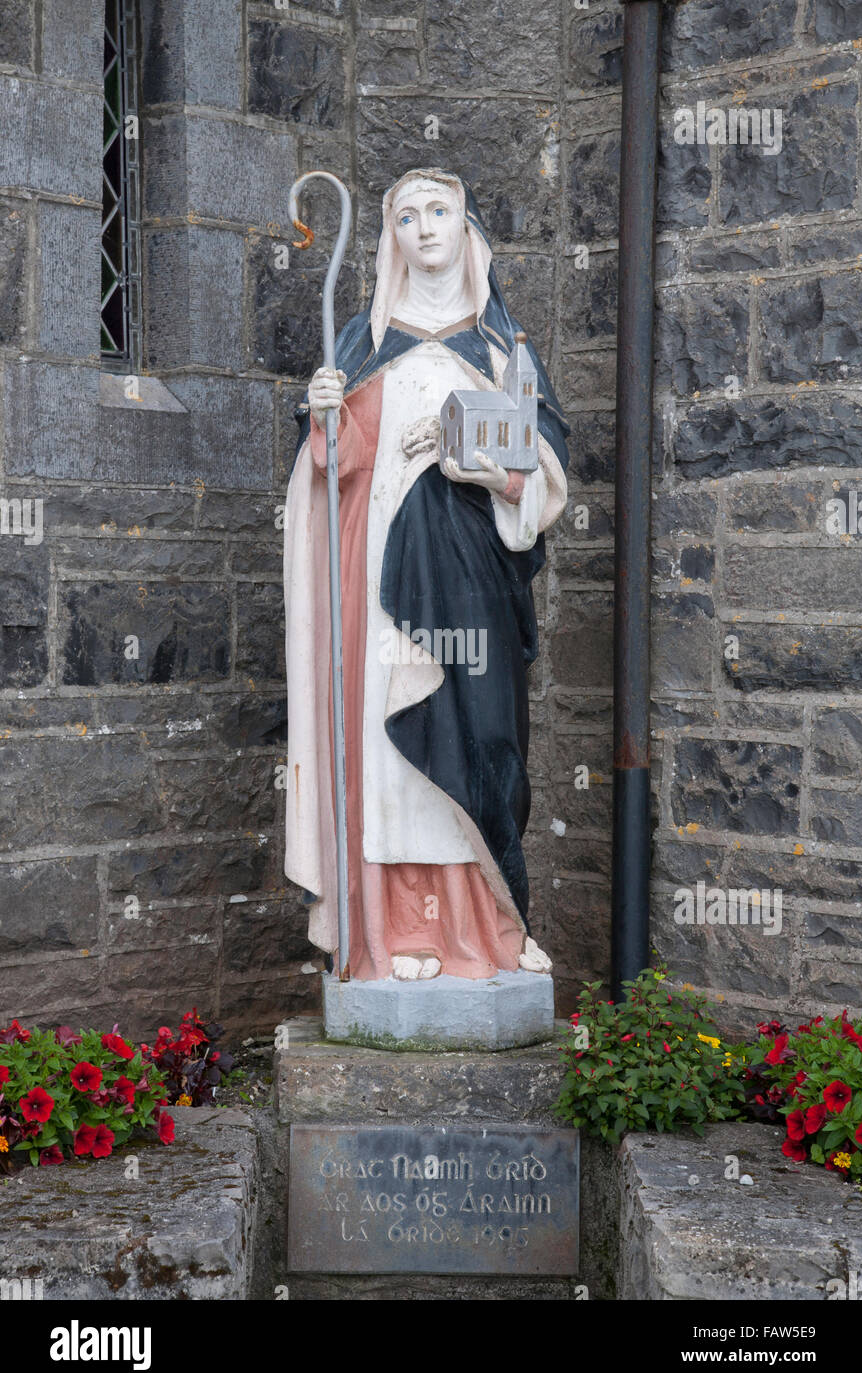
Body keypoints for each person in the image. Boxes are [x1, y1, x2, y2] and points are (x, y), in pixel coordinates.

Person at [282, 167, 569, 983]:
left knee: (483, 736)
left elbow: (543, 471)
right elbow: (335, 474)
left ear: (465, 226)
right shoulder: (365, 346)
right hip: (382, 584)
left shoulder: (505, 350)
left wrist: (476, 466)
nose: (425, 227)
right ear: (391, 240)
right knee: (391, 749)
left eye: (440, 210)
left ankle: (495, 930)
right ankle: (401, 929)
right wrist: (326, 421)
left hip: (475, 578)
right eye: (406, 216)